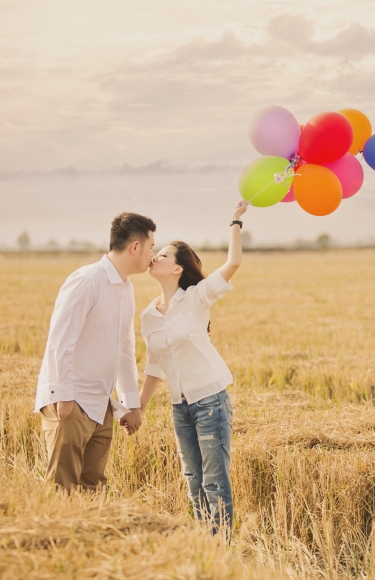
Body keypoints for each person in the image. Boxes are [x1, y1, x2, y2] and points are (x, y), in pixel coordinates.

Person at [136, 200, 248, 538]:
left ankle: (222, 545)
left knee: (214, 479)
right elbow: (155, 365)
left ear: (178, 269)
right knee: (193, 479)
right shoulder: (148, 316)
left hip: (210, 402)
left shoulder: (198, 296)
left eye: (164, 254)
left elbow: (234, 262)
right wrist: (138, 408)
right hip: (179, 408)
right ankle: (205, 541)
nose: (156, 256)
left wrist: (235, 221)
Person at [34, 213, 154, 491]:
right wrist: (63, 395)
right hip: (71, 403)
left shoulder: (126, 288)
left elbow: (124, 349)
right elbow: (59, 341)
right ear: (134, 247)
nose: (153, 254)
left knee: (93, 489)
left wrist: (131, 404)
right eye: (151, 247)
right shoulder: (87, 280)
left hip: (102, 405)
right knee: (62, 488)